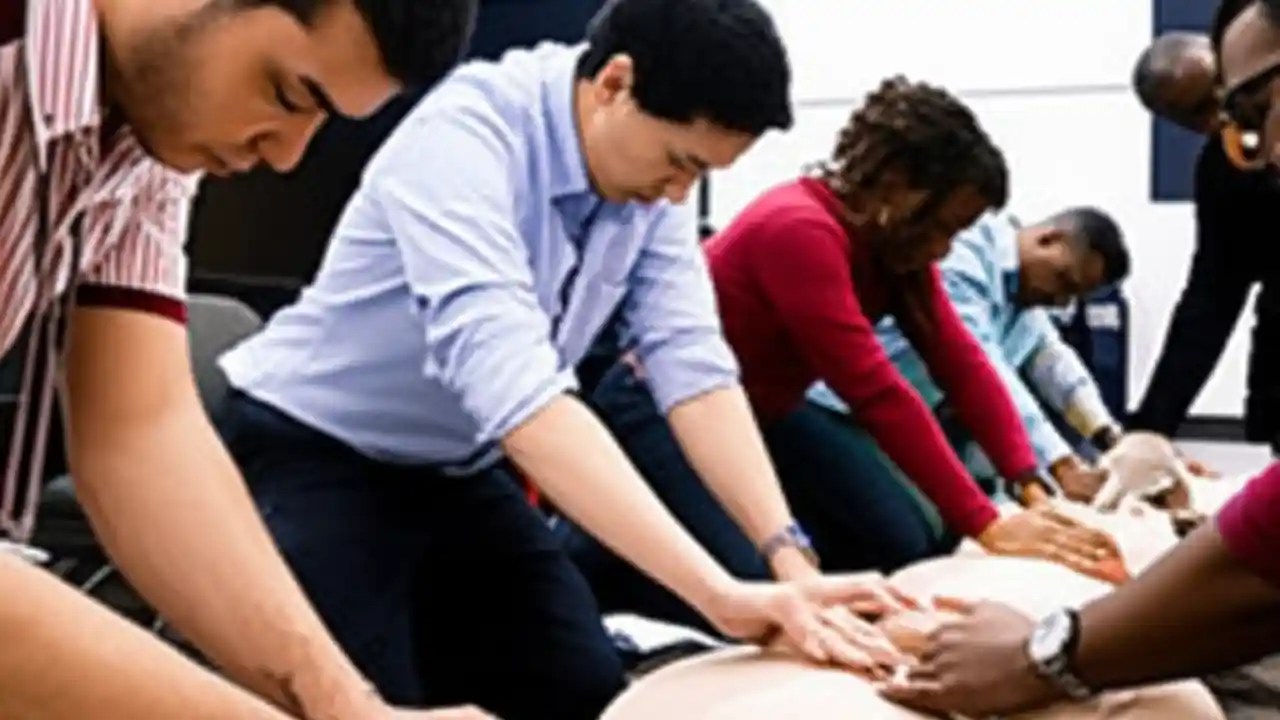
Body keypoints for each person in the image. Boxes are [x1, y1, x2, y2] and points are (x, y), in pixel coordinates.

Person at [214, 1, 906, 718]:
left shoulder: (650, 182)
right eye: (680, 163)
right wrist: (718, 595)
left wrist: (788, 559)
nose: (679, 195)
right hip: (315, 447)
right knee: (359, 699)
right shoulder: (464, 139)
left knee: (581, 688)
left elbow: (693, 363)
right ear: (614, 83)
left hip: (451, 467)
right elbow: (520, 396)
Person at [0, 1, 487, 718]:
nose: (286, 157)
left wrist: (348, 706)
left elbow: (140, 432)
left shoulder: (144, 131)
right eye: (286, 94)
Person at [563, 77, 1120, 632]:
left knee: (902, 537)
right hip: (660, 409)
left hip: (762, 412)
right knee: (753, 588)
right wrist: (986, 523)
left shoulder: (896, 252)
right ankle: (599, 564)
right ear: (897, 188)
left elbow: (962, 362)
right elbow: (875, 392)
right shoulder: (800, 229)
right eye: (943, 228)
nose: (944, 248)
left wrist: (1029, 487)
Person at [878, 2, 1280, 715]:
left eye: (1253, 107)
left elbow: (1036, 363)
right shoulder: (965, 262)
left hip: (938, 421)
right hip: (864, 414)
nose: (1252, 147)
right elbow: (1209, 297)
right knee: (901, 526)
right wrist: (1135, 436)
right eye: (1227, 117)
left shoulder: (1025, 285)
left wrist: (1046, 653)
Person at [809, 208, 1131, 505]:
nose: (1060, 302)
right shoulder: (964, 256)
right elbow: (985, 369)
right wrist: (1060, 462)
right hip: (836, 412)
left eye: (1073, 296)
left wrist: (1109, 438)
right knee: (909, 532)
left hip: (897, 425)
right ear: (1047, 239)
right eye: (1064, 282)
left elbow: (1049, 356)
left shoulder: (1027, 290)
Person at [1129, 10, 1280, 457]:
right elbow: (1210, 301)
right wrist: (1151, 427)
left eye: (1235, 96)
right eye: (1200, 112)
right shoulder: (1224, 174)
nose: (1224, 117)